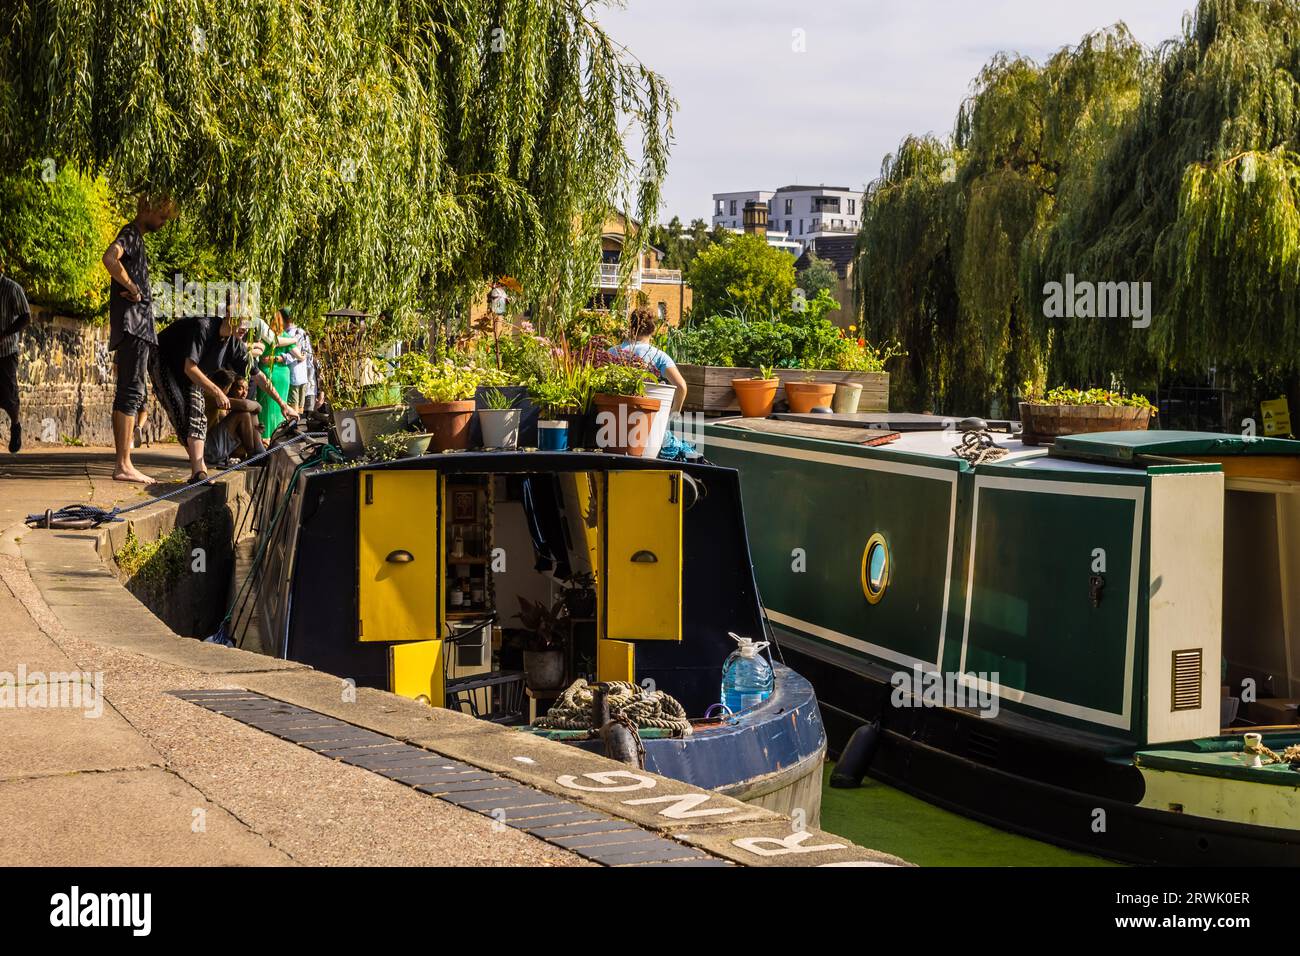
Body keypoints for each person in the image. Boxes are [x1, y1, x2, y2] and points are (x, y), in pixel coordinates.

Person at [150, 310, 298, 483]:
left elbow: (258, 377)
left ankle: (199, 471)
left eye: (248, 322)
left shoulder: (235, 344)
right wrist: (217, 391)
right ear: (228, 315)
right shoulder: (203, 327)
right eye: (241, 321)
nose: (245, 327)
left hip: (189, 369)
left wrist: (282, 404)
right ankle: (199, 467)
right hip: (163, 359)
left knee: (196, 406)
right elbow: (190, 368)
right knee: (181, 408)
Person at [102, 195, 177, 483]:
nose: (163, 222)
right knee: (130, 392)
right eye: (162, 215)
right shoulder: (131, 234)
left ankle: (124, 462)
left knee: (130, 392)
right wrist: (132, 286)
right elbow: (110, 258)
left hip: (136, 328)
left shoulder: (135, 237)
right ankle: (124, 464)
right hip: (133, 327)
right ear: (147, 207)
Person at [609, 307, 688, 411]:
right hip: (646, 415)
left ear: (631, 326)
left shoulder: (611, 352)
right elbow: (681, 386)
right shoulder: (658, 356)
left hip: (612, 411)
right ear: (654, 329)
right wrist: (674, 413)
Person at [250, 307, 298, 439]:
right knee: (278, 407)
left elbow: (262, 349)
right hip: (282, 373)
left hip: (265, 371)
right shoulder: (287, 337)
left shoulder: (262, 334)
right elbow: (299, 355)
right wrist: (294, 342)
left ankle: (263, 436)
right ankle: (277, 436)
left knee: (265, 407)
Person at [0, 253, 31, 454]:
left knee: (9, 394)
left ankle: (16, 424)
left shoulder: (11, 288)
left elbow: (25, 317)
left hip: (6, 351)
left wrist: (5, 334)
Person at [203, 370, 264, 469]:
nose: (244, 393)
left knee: (251, 413)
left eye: (247, 389)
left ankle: (260, 453)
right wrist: (258, 405)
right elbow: (245, 405)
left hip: (218, 448)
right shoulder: (212, 396)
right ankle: (253, 455)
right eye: (240, 388)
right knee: (243, 413)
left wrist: (255, 431)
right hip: (208, 450)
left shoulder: (222, 402)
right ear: (226, 388)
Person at [282, 310, 317, 412]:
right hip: (303, 375)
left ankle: (293, 426)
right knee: (299, 407)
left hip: (292, 374)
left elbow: (292, 354)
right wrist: (310, 376)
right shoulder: (302, 332)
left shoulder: (287, 334)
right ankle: (295, 424)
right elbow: (308, 354)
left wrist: (281, 358)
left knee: (292, 407)